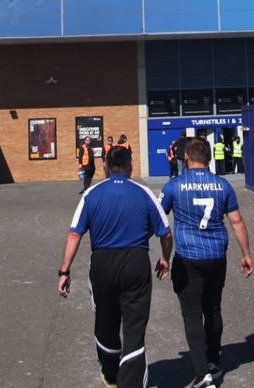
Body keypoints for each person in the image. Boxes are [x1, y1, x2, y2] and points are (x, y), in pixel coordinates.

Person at [58, 147, 172, 388]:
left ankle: (110, 374)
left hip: (103, 263)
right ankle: (129, 382)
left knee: (105, 322)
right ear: (130, 166)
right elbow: (165, 231)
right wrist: (165, 258)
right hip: (136, 261)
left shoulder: (91, 194)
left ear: (105, 167)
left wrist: (65, 271)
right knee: (134, 327)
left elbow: (74, 234)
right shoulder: (143, 192)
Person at [158, 137, 254, 388]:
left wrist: (164, 256)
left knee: (192, 314)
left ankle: (202, 373)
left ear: (186, 158)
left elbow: (160, 222)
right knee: (213, 309)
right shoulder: (223, 185)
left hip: (188, 255)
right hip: (215, 255)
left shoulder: (174, 186)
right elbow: (237, 222)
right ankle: (213, 360)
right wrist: (246, 253)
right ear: (209, 158)